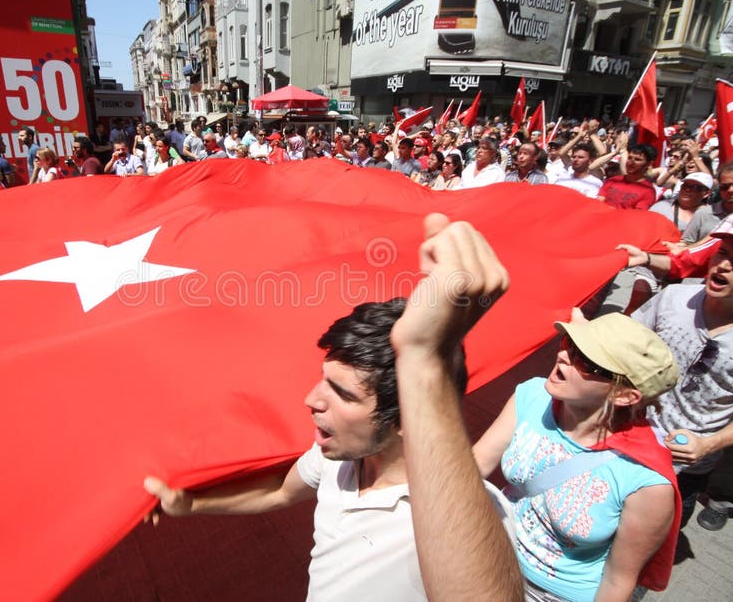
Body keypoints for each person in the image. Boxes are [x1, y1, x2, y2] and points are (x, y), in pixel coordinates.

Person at [145, 215, 523, 601]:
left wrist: (422, 361)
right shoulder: (337, 457)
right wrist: (193, 504)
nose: (312, 400)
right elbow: (280, 490)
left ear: (406, 420)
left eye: (344, 394)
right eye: (325, 378)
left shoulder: (471, 517)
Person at [473, 312, 681, 601]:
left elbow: (618, 580)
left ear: (624, 396)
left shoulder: (646, 482)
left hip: (548, 595)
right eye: (569, 344)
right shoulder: (532, 395)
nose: (562, 356)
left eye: (584, 360)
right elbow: (474, 467)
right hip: (485, 555)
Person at [620, 218, 733, 528]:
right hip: (624, 438)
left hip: (683, 468)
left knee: (647, 545)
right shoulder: (673, 298)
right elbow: (625, 345)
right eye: (722, 252)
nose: (724, 266)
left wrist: (708, 444)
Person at [648, 172, 713, 234]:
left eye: (695, 187)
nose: (687, 189)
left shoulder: (712, 216)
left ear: (706, 193)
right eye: (685, 185)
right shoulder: (661, 208)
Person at [598, 144, 657, 209]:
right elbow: (599, 202)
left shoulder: (648, 191)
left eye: (637, 159)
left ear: (649, 164)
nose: (631, 162)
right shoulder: (612, 180)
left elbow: (637, 215)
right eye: (629, 158)